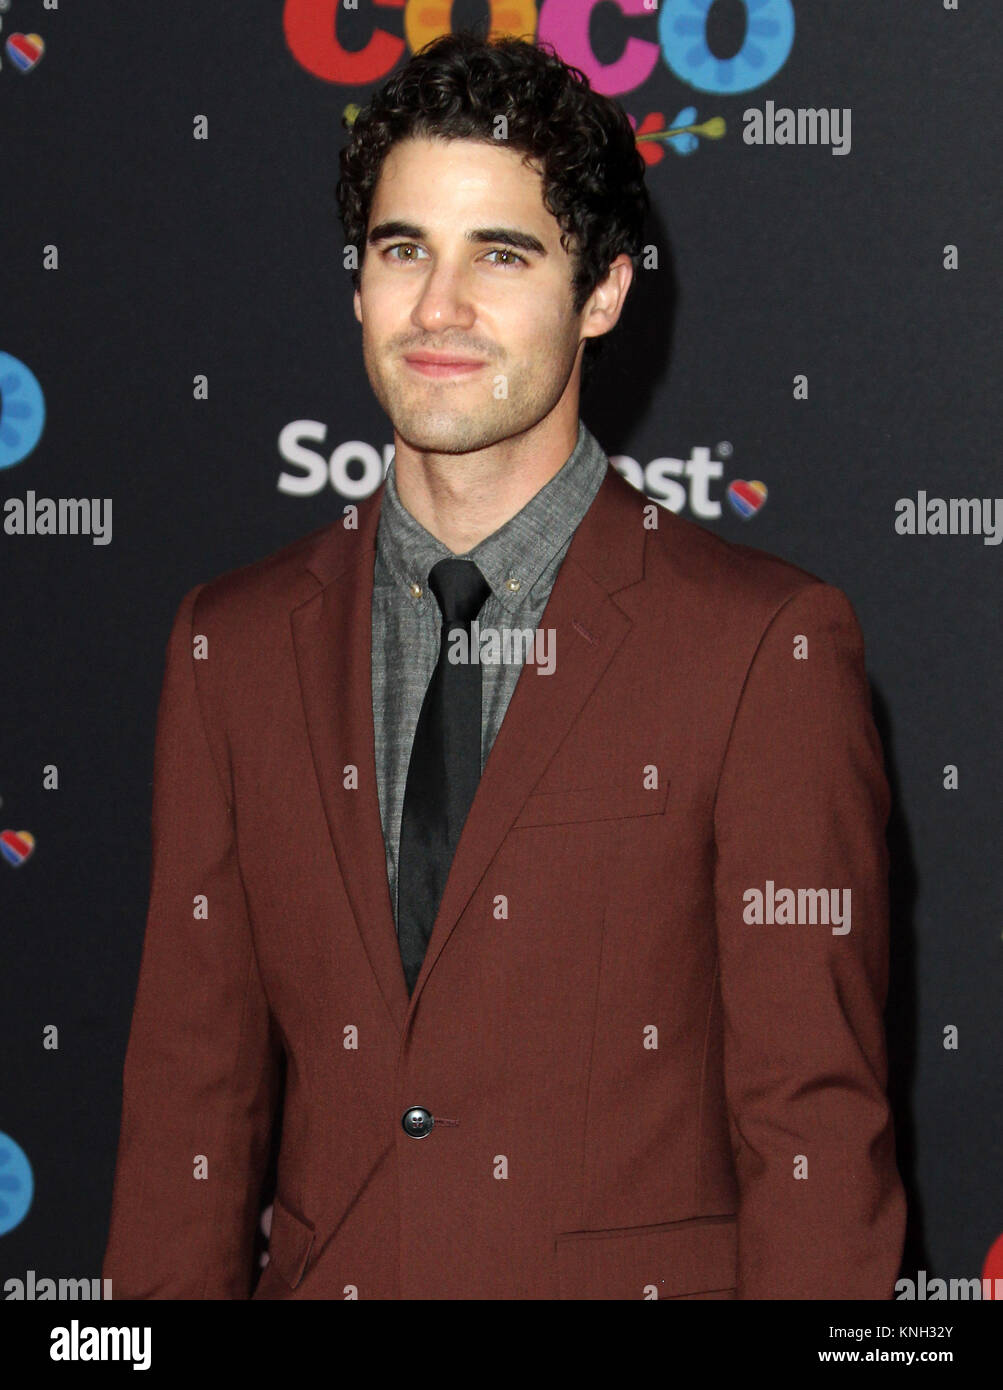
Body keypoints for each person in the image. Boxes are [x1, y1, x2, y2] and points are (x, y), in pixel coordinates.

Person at [103, 30, 906, 1299]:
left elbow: (811, 1132)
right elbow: (187, 1119)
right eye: (402, 248)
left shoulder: (763, 648)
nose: (439, 308)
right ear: (356, 281)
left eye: (502, 254)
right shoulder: (230, 646)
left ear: (602, 294)